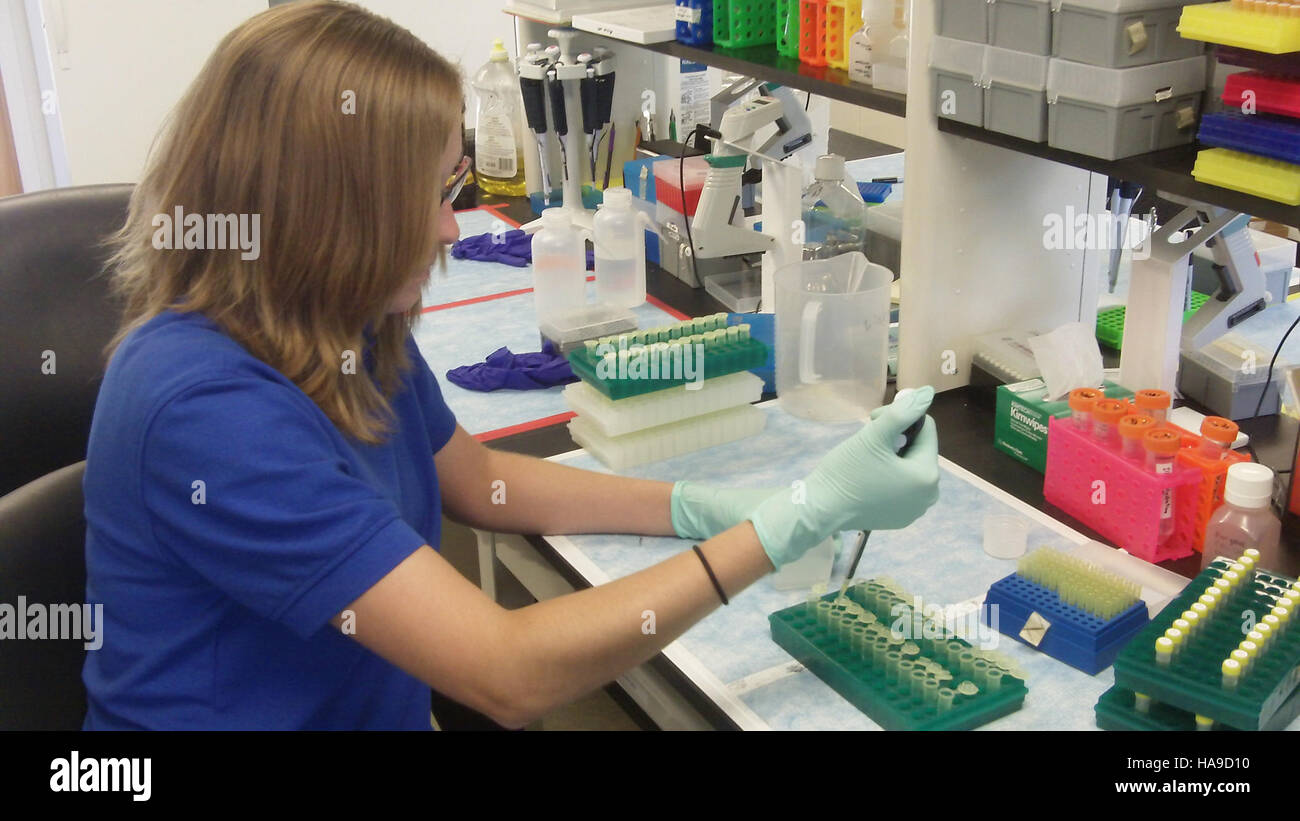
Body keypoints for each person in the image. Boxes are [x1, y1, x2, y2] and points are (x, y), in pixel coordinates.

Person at [82, 0, 940, 730]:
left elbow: (479, 480)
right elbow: (509, 672)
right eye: (430, 198)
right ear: (329, 213)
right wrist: (789, 525)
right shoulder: (208, 409)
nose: (452, 230)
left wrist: (703, 508)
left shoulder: (338, 322)